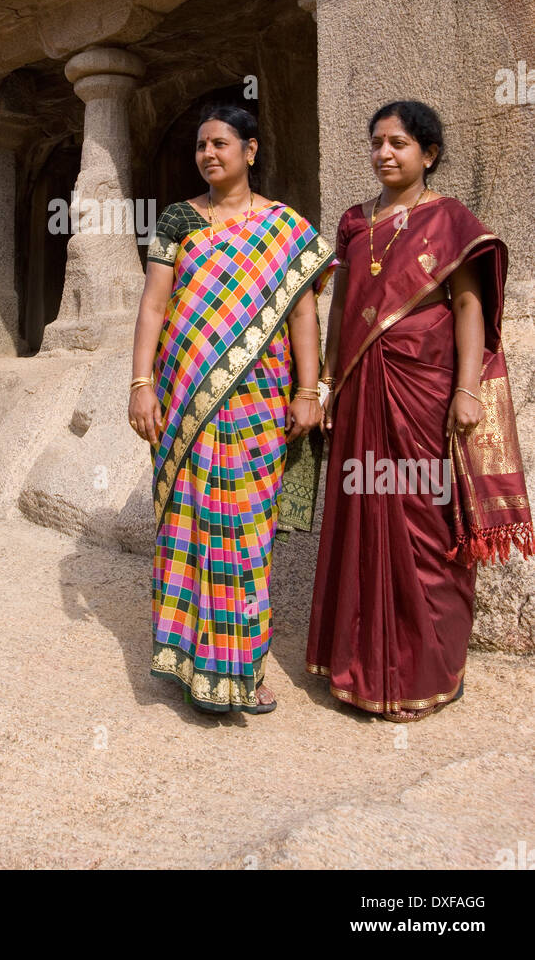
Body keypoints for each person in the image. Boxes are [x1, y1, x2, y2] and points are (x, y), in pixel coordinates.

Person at [307, 100, 533, 722]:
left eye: (399, 143)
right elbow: (343, 307)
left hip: (425, 392)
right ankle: (362, 668)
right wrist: (326, 382)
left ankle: (427, 668)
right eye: (377, 142)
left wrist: (466, 390)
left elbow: (469, 309)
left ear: (428, 154)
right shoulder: (355, 222)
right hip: (360, 394)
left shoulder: (450, 220)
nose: (385, 153)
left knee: (428, 526)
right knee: (363, 519)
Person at [130, 105, 336, 714]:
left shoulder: (287, 228)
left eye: (221, 143)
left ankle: (240, 669)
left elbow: (303, 315)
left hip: (259, 405)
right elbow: (152, 306)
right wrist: (141, 382)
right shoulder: (176, 222)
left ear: (250, 150)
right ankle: (192, 664)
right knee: (187, 529)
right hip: (185, 399)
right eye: (200, 146)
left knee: (246, 535)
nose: (208, 154)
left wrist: (308, 391)